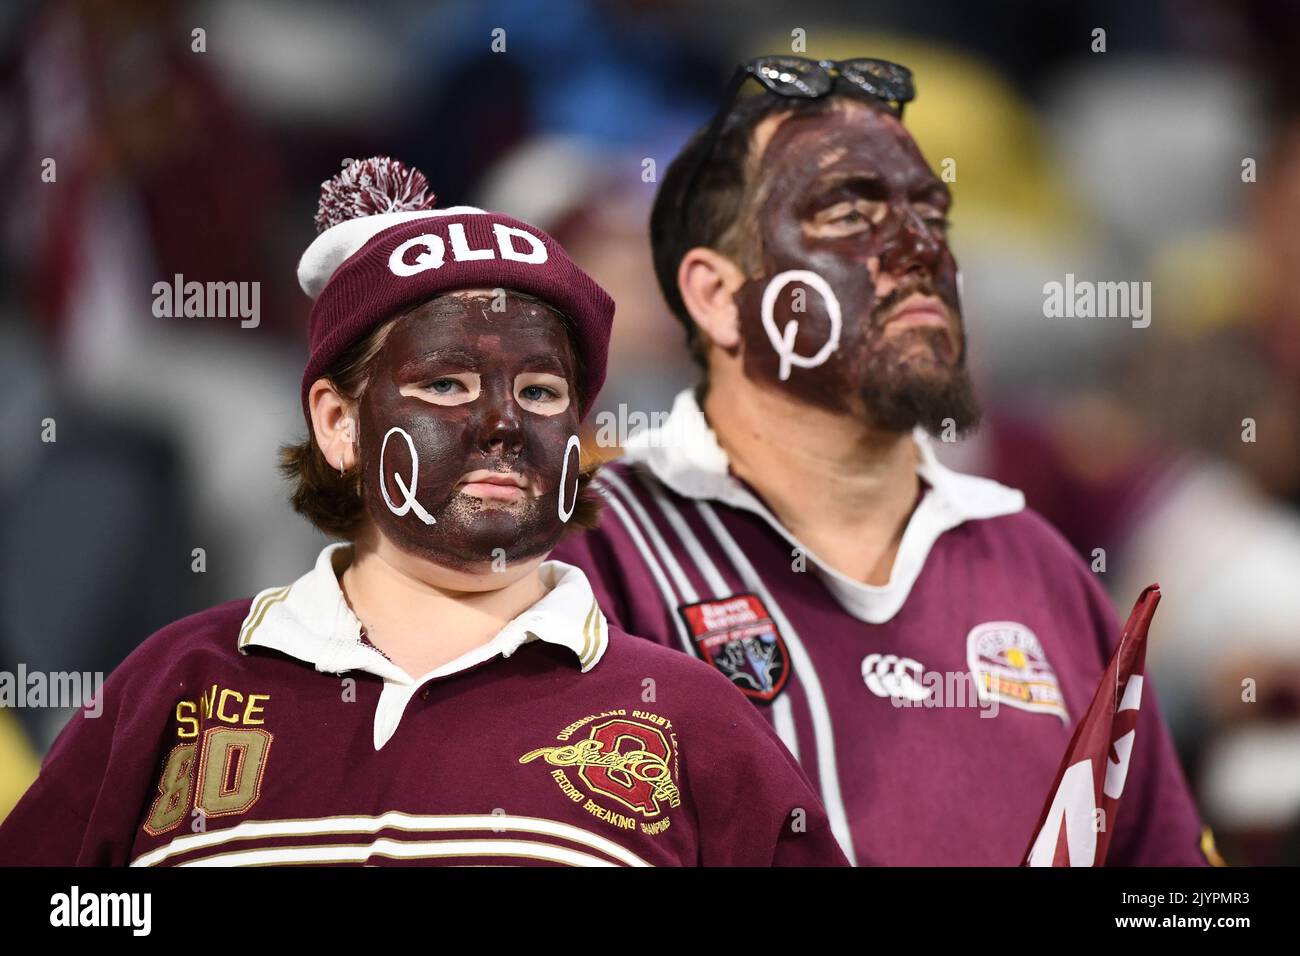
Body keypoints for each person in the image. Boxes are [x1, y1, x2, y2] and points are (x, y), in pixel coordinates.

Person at [0, 156, 847, 868]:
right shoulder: (175, 687)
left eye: (541, 391)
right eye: (445, 383)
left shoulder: (694, 723)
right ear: (339, 424)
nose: (503, 424)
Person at [552, 57, 1208, 865]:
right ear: (718, 297)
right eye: (850, 215)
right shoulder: (592, 554)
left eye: (932, 214)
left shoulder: (1044, 571)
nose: (920, 247)